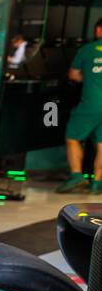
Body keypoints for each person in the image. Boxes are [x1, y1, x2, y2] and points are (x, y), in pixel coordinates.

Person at [59, 19, 102, 193]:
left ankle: (77, 176)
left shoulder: (87, 50)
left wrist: (89, 79)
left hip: (91, 103)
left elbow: (73, 75)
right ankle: (97, 183)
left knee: (72, 137)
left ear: (99, 30)